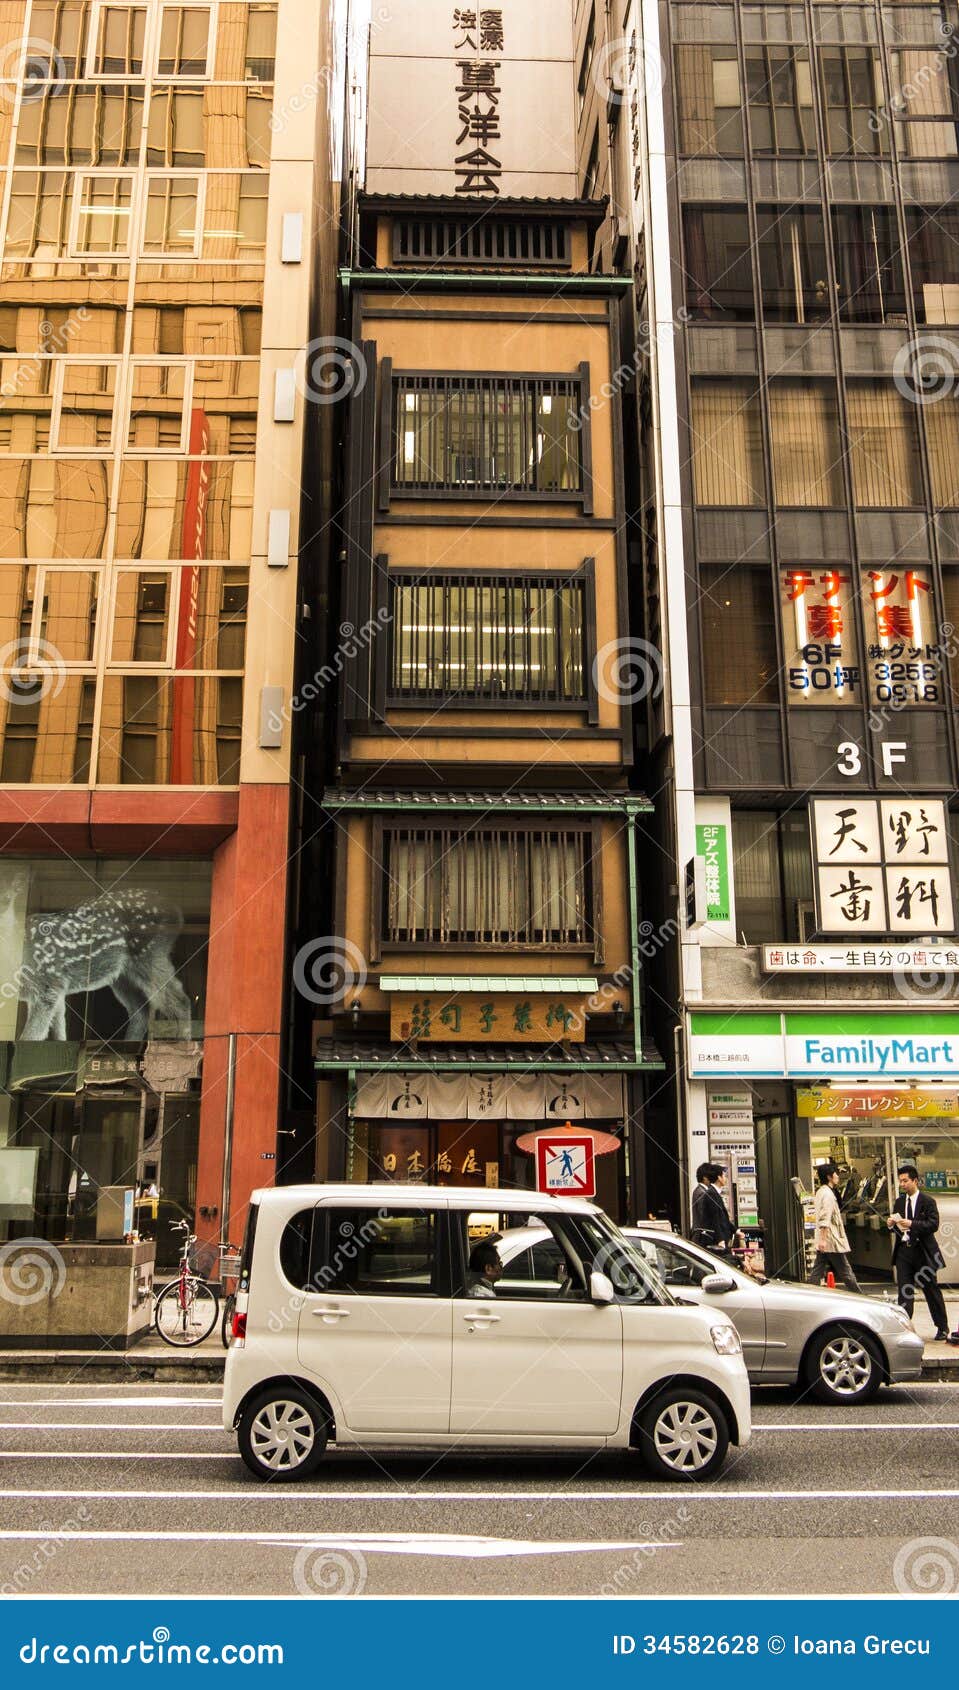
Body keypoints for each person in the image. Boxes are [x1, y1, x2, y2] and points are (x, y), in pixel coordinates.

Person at [886, 1164, 949, 1339]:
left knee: (931, 1290)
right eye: (900, 1181)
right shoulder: (899, 1202)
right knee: (904, 1291)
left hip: (923, 1252)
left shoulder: (928, 1201)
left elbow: (933, 1224)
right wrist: (892, 1225)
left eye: (905, 1181)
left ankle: (942, 1327)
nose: (902, 1184)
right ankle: (904, 1328)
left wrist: (912, 1224)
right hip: (904, 1252)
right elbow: (898, 1229)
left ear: (915, 1180)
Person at [808, 1162, 861, 1292]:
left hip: (825, 1239)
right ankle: (860, 1296)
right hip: (831, 1240)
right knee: (846, 1272)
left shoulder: (821, 1192)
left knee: (817, 1270)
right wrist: (823, 1240)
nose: (838, 1176)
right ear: (829, 1177)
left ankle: (809, 1293)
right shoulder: (827, 1194)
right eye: (836, 1173)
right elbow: (825, 1218)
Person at [690, 1163, 737, 1255]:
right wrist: (720, 1239)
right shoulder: (704, 1193)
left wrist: (734, 1230)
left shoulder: (707, 1192)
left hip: (709, 1235)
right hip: (708, 1237)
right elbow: (713, 1218)